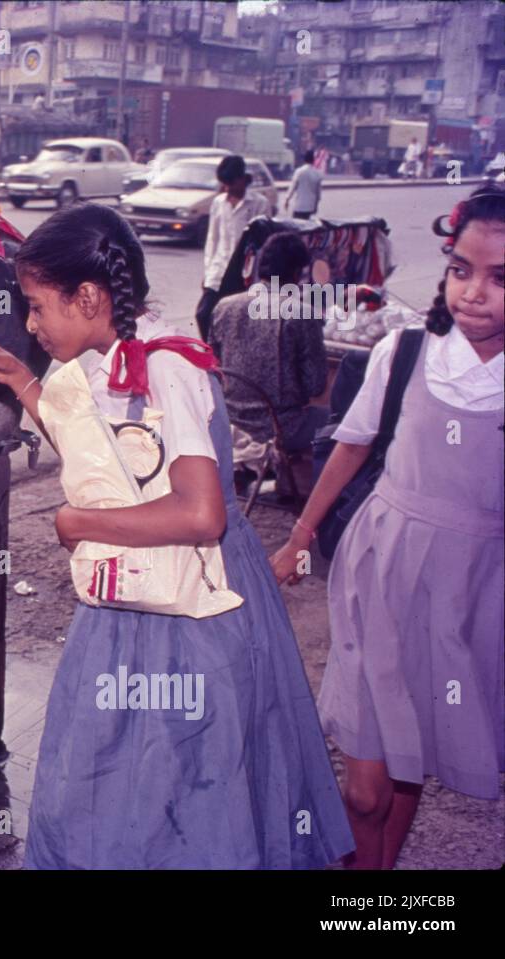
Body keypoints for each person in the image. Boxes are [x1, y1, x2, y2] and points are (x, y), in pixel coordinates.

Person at [0, 203, 354, 869]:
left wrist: (79, 523)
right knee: (115, 770)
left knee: (190, 774)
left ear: (88, 297)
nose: (30, 323)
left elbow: (201, 514)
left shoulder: (169, 365)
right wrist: (23, 380)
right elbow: (111, 463)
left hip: (198, 599)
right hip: (132, 593)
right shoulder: (100, 360)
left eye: (35, 305)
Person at [270, 184, 504, 869]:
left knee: (413, 759)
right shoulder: (405, 353)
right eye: (461, 270)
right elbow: (351, 445)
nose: (473, 292)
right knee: (366, 791)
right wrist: (299, 535)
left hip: (472, 594)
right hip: (384, 570)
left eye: (500, 278)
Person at [209, 231, 328, 454]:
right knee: (339, 424)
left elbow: (214, 367)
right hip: (281, 427)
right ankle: (302, 487)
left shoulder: (224, 306)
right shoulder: (302, 312)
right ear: (297, 273)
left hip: (230, 420)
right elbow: (316, 385)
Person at [196, 154, 273, 341]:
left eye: (231, 183)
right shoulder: (218, 203)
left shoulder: (259, 204)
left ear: (242, 179)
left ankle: (228, 355)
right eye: (225, 184)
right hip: (219, 269)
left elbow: (264, 244)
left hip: (244, 274)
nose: (228, 188)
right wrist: (208, 272)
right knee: (203, 313)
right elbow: (213, 239)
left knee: (237, 319)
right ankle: (213, 352)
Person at [284, 149, 324, 220]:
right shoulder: (317, 174)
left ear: (304, 159)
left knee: (297, 228)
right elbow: (318, 195)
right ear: (313, 160)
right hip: (310, 208)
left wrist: (287, 200)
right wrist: (315, 206)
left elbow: (292, 188)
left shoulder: (299, 172)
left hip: (299, 207)